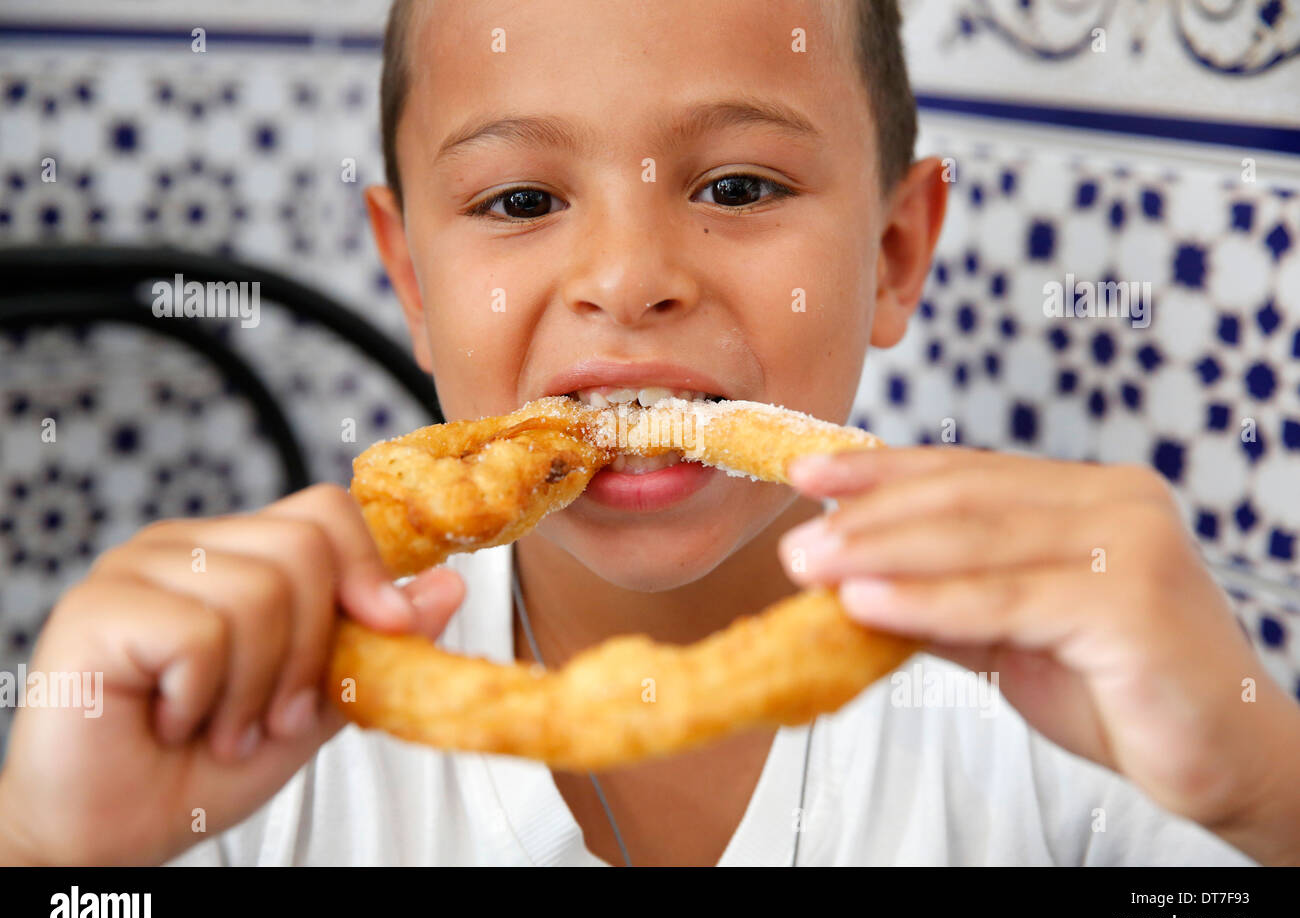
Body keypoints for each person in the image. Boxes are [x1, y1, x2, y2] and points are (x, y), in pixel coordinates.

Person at [1, 0, 1296, 866]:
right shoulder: (237, 745)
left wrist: (1258, 794)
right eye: (518, 197)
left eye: (737, 185)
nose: (628, 279)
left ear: (895, 254)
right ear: (410, 279)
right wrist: (52, 856)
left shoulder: (1069, 721)